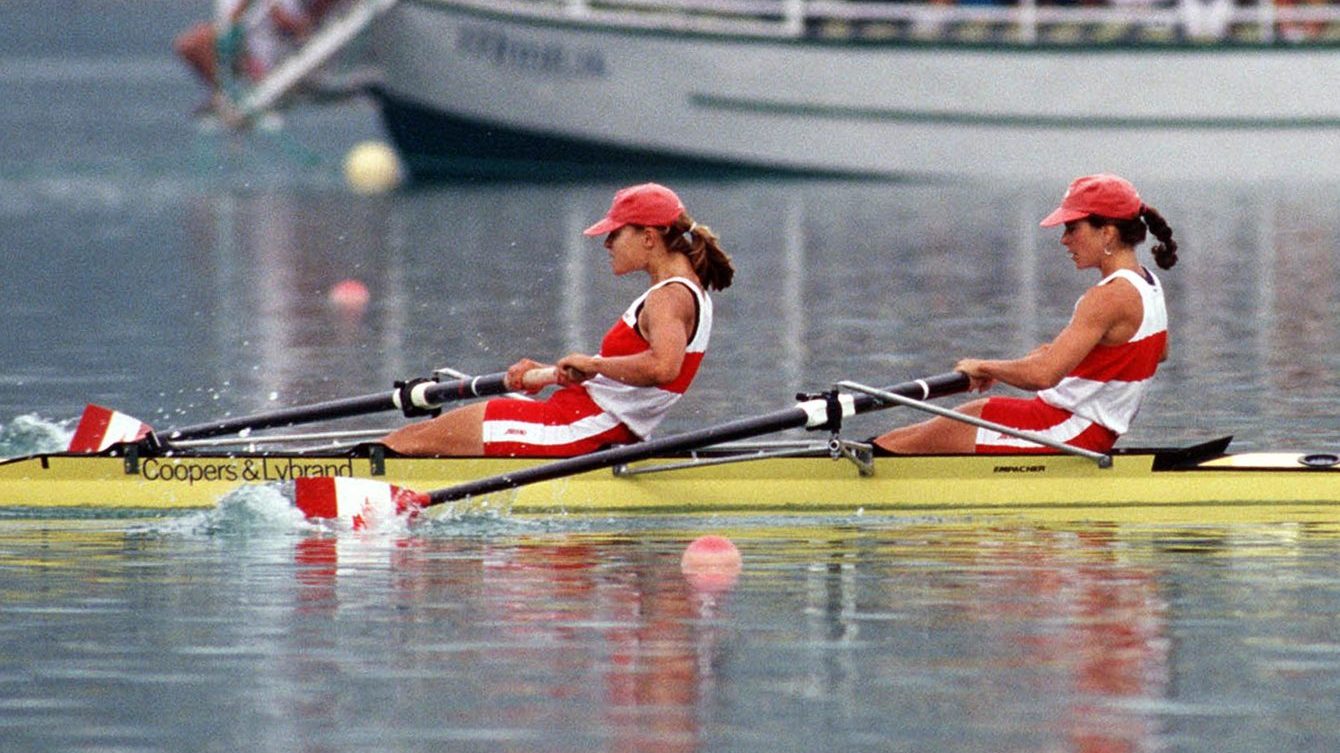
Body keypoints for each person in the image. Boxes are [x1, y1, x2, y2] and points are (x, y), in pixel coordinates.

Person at [382, 183, 735, 457]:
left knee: (405, 442)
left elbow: (663, 368)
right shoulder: (687, 292)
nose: (607, 243)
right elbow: (624, 378)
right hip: (584, 419)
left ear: (648, 237)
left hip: (581, 428)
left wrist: (593, 364)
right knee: (424, 441)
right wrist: (552, 373)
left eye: (615, 233)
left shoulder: (669, 297)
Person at [874, 173, 1178, 455]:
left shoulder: (1107, 297)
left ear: (1108, 233)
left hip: (1064, 432)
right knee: (902, 439)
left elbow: (1044, 376)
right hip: (1081, 428)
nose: (1064, 239)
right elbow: (1155, 352)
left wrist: (985, 367)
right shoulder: (1148, 283)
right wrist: (1041, 358)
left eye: (1073, 228)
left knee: (898, 445)